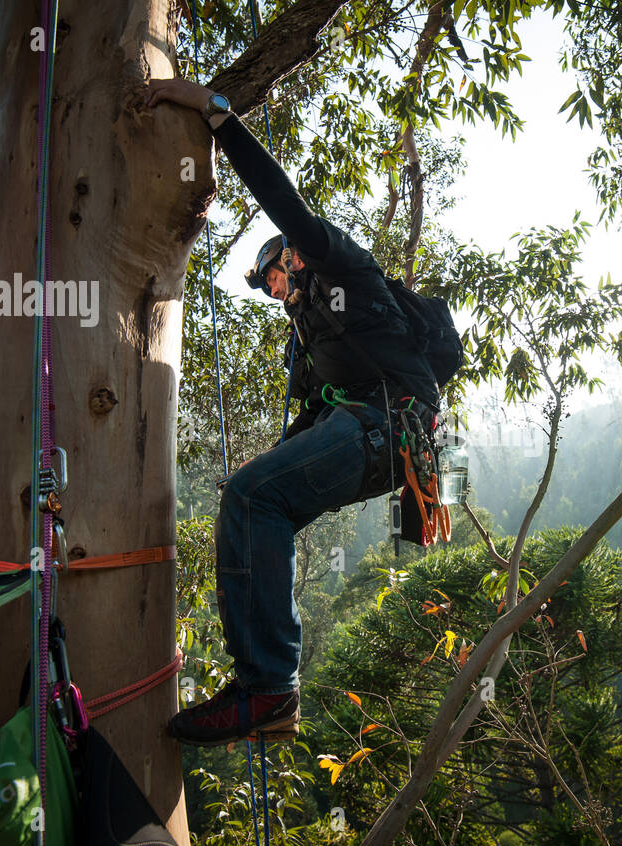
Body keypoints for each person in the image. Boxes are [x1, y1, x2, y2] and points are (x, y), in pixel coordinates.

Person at [143, 77, 440, 746]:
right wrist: (274, 459)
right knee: (250, 500)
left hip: (391, 428)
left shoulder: (344, 270)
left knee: (253, 500)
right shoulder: (307, 342)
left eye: (277, 273)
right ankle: (260, 685)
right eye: (270, 286)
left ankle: (270, 686)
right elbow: (307, 420)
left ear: (295, 254)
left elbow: (280, 197)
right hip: (363, 442)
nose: (278, 290)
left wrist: (215, 115)